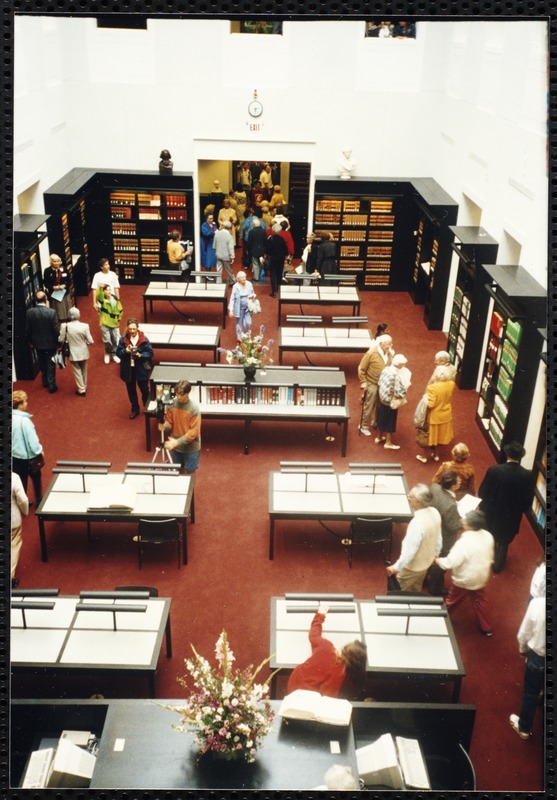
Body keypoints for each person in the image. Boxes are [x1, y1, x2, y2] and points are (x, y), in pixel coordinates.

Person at [287, 604, 367, 698]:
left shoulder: (326, 645)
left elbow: (313, 635)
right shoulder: (340, 672)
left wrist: (320, 616)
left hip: (294, 681)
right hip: (305, 695)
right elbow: (327, 694)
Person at [435, 509, 495, 636]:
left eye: (464, 519)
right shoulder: (488, 535)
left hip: (464, 579)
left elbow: (450, 563)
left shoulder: (464, 543)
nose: (461, 520)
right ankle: (486, 627)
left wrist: (437, 560)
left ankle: (440, 618)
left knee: (452, 600)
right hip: (480, 576)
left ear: (469, 525)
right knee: (480, 601)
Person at [478, 440, 534, 573]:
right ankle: (498, 566)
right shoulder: (527, 475)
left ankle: (489, 558)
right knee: (504, 540)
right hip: (511, 514)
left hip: (492, 511)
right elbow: (527, 500)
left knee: (490, 534)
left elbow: (482, 492)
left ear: (507, 454)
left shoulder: (494, 470)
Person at [509, 570, 545, 739]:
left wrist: (523, 649)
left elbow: (523, 633)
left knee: (530, 691)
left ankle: (524, 728)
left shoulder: (537, 604)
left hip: (538, 657)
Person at [386, 484, 442, 592]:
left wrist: (396, 567)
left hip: (412, 568)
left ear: (419, 502)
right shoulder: (435, 512)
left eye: (411, 496)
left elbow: (409, 550)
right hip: (426, 563)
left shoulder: (417, 523)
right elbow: (438, 537)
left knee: (397, 594)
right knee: (415, 590)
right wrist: (436, 554)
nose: (408, 497)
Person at [427, 471, 463, 595]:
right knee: (440, 564)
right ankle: (435, 588)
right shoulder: (451, 505)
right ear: (453, 486)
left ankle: (426, 575)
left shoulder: (435, 487)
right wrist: (462, 521)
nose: (460, 482)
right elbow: (452, 526)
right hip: (444, 538)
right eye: (458, 481)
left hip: (431, 529)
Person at [158, 379, 201, 473]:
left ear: (187, 393)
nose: (178, 397)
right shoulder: (172, 404)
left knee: (190, 474)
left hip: (191, 449)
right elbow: (169, 422)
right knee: (178, 472)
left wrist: (177, 442)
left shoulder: (194, 409)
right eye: (177, 394)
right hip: (176, 448)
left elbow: (193, 432)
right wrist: (164, 426)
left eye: (181, 395)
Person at [116, 318, 154, 419]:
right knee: (131, 391)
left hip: (141, 369)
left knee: (145, 390)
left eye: (134, 329)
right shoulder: (123, 339)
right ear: (127, 329)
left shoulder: (144, 339)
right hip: (129, 370)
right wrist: (125, 351)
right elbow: (118, 353)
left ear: (137, 328)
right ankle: (135, 409)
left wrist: (140, 355)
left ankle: (147, 407)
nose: (132, 331)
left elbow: (150, 353)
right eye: (130, 329)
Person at [12, 390, 45, 503]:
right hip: (28, 457)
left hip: (15, 456)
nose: (26, 403)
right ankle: (39, 500)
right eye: (25, 402)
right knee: (36, 478)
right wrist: (39, 450)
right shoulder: (25, 421)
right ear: (19, 405)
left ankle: (23, 502)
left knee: (21, 481)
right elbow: (33, 442)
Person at [357, 334, 394, 435]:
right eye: (388, 344)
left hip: (383, 384)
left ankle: (376, 422)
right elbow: (361, 368)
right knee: (369, 405)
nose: (390, 346)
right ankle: (364, 426)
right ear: (381, 344)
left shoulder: (390, 354)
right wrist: (363, 382)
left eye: (391, 344)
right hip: (372, 383)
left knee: (380, 405)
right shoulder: (371, 353)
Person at [25, 290, 59, 393]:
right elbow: (56, 330)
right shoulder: (51, 312)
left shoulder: (30, 312)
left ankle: (45, 382)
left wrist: (30, 342)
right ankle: (52, 385)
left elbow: (28, 330)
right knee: (51, 363)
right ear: (45, 299)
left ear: (35, 300)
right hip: (50, 343)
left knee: (42, 363)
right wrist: (59, 343)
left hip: (37, 343)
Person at [375, 353, 410, 450]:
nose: (404, 366)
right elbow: (399, 392)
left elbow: (379, 382)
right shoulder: (396, 375)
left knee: (381, 417)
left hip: (382, 398)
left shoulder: (386, 369)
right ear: (399, 365)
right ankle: (388, 442)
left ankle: (378, 437)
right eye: (403, 364)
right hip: (390, 401)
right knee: (390, 421)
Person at [59, 307, 94, 396]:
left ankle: (81, 389)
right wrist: (85, 342)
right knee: (83, 368)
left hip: (72, 352)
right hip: (83, 350)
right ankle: (84, 385)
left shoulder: (64, 326)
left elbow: (61, 339)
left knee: (76, 370)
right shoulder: (85, 326)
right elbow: (90, 341)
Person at [425, 365, 455, 462]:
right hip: (446, 413)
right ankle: (436, 454)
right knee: (440, 435)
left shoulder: (432, 388)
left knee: (432, 435)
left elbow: (431, 404)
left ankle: (429, 454)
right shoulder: (451, 384)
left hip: (435, 415)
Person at [96, 284, 123, 364]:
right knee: (107, 340)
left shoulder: (115, 299)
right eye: (107, 290)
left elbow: (120, 310)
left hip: (114, 322)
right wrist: (100, 288)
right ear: (104, 292)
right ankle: (107, 353)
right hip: (105, 322)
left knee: (114, 339)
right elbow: (98, 295)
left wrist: (118, 320)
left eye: (110, 289)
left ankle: (114, 354)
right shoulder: (102, 299)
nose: (109, 291)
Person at [11, 472, 29, 588]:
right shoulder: (14, 477)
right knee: (13, 545)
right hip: (12, 519)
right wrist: (25, 511)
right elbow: (23, 500)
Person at [43, 253, 73, 321]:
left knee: (67, 311)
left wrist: (64, 285)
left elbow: (69, 281)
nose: (56, 263)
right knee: (57, 313)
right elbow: (46, 283)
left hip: (64, 293)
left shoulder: (64, 269)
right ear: (51, 262)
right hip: (54, 294)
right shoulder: (47, 271)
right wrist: (53, 287)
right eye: (54, 261)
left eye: (58, 261)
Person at [229, 271, 256, 340]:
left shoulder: (249, 284)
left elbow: (253, 294)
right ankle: (240, 340)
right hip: (239, 308)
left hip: (248, 308)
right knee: (239, 325)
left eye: (245, 277)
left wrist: (252, 296)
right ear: (238, 279)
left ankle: (247, 336)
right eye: (242, 277)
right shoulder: (235, 287)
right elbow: (232, 299)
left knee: (248, 323)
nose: (244, 279)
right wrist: (231, 310)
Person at [265, 223, 289, 297]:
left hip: (273, 258)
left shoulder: (270, 239)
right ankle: (279, 289)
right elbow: (286, 250)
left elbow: (267, 249)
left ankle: (274, 291)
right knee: (279, 274)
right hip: (281, 258)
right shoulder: (282, 239)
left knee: (273, 274)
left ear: (273, 230)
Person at [213, 220, 236, 285]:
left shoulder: (217, 234)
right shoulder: (229, 236)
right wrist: (232, 257)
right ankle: (232, 281)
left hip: (218, 255)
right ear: (229, 228)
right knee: (229, 270)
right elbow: (231, 248)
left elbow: (214, 246)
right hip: (226, 256)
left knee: (218, 270)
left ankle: (218, 282)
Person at [246, 217, 267, 282]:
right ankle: (260, 275)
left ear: (254, 224)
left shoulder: (251, 232)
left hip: (254, 250)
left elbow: (249, 242)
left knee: (255, 264)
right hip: (262, 250)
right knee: (261, 264)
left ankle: (256, 277)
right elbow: (265, 241)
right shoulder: (264, 231)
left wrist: (247, 249)